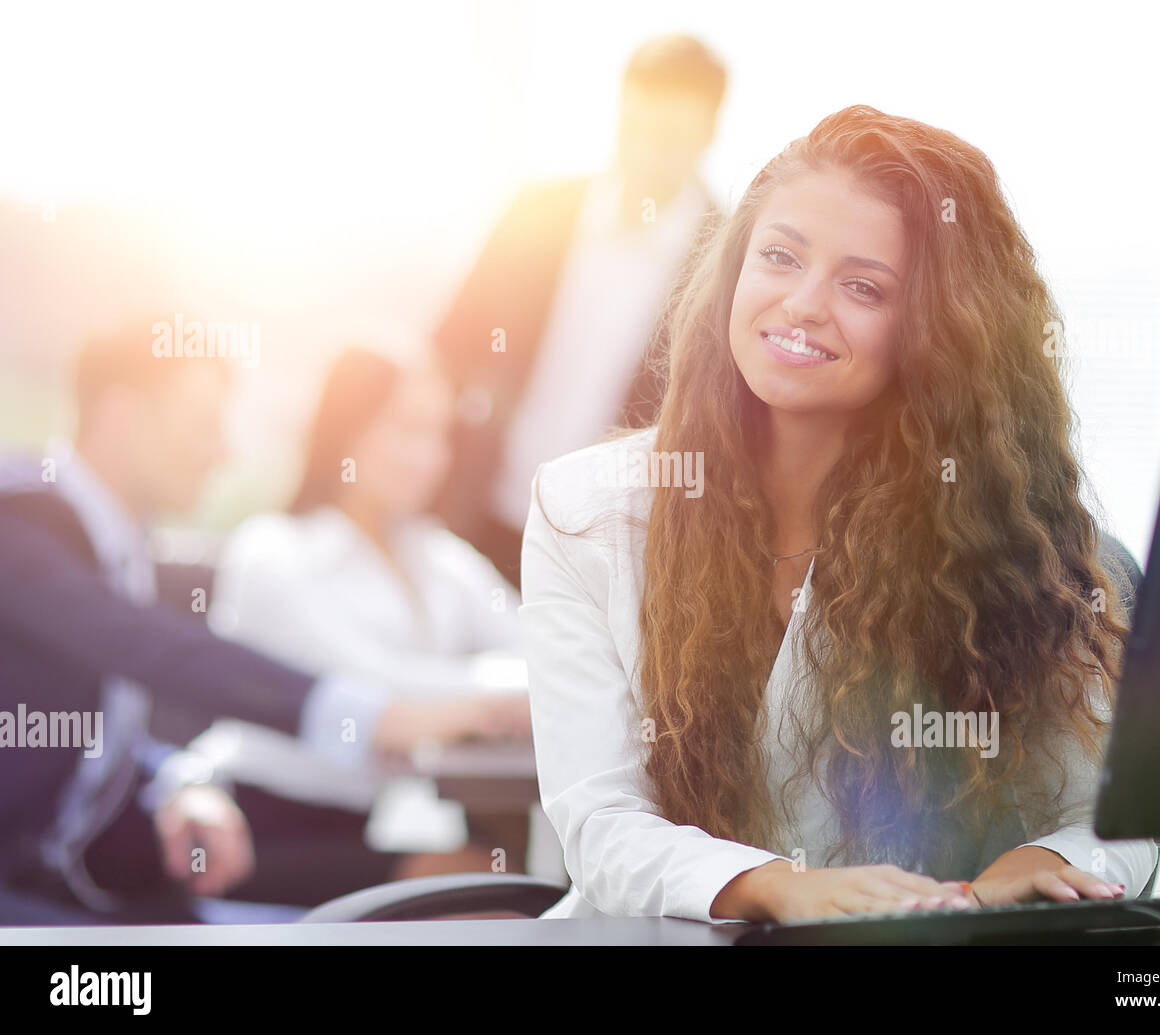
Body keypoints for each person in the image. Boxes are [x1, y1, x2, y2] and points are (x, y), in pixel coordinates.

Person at [519, 105, 1160, 924]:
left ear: (940, 329)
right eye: (780, 257)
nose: (803, 304)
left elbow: (1121, 814)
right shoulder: (588, 509)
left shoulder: (1005, 533)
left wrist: (1036, 862)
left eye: (863, 285)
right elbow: (602, 827)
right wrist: (782, 887)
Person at [0, 321, 480, 924]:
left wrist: (179, 783)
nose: (223, 452)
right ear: (123, 414)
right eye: (203, 424)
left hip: (69, 883)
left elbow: (99, 738)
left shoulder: (116, 545)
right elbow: (155, 648)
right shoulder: (16, 519)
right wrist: (379, 716)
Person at [202, 346, 532, 871]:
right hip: (250, 829)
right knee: (495, 890)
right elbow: (371, 691)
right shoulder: (272, 550)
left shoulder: (432, 552)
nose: (428, 456)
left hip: (370, 823)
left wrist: (494, 696)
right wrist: (501, 699)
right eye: (406, 429)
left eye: (439, 434)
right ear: (346, 429)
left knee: (514, 879)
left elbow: (543, 644)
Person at [432, 33, 727, 589]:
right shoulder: (536, 213)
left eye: (667, 137)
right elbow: (448, 349)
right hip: (472, 524)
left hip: (608, 565)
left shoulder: (727, 263)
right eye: (633, 129)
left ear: (708, 134)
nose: (643, 153)